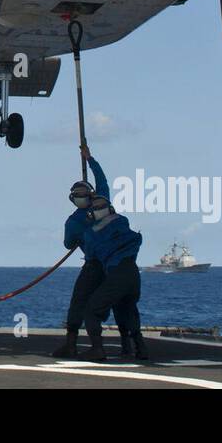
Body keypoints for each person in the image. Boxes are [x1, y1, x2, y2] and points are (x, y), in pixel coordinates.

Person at [51, 151, 110, 359]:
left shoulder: (73, 222)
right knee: (122, 303)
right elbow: (102, 179)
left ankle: (73, 344)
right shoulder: (104, 203)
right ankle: (133, 346)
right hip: (116, 265)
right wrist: (90, 159)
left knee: (79, 302)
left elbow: (68, 244)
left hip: (94, 265)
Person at [81, 193, 148, 361]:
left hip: (116, 272)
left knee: (92, 310)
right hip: (133, 274)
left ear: (91, 214)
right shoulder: (122, 222)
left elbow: (90, 257)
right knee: (127, 308)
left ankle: (97, 349)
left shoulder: (91, 233)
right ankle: (138, 348)